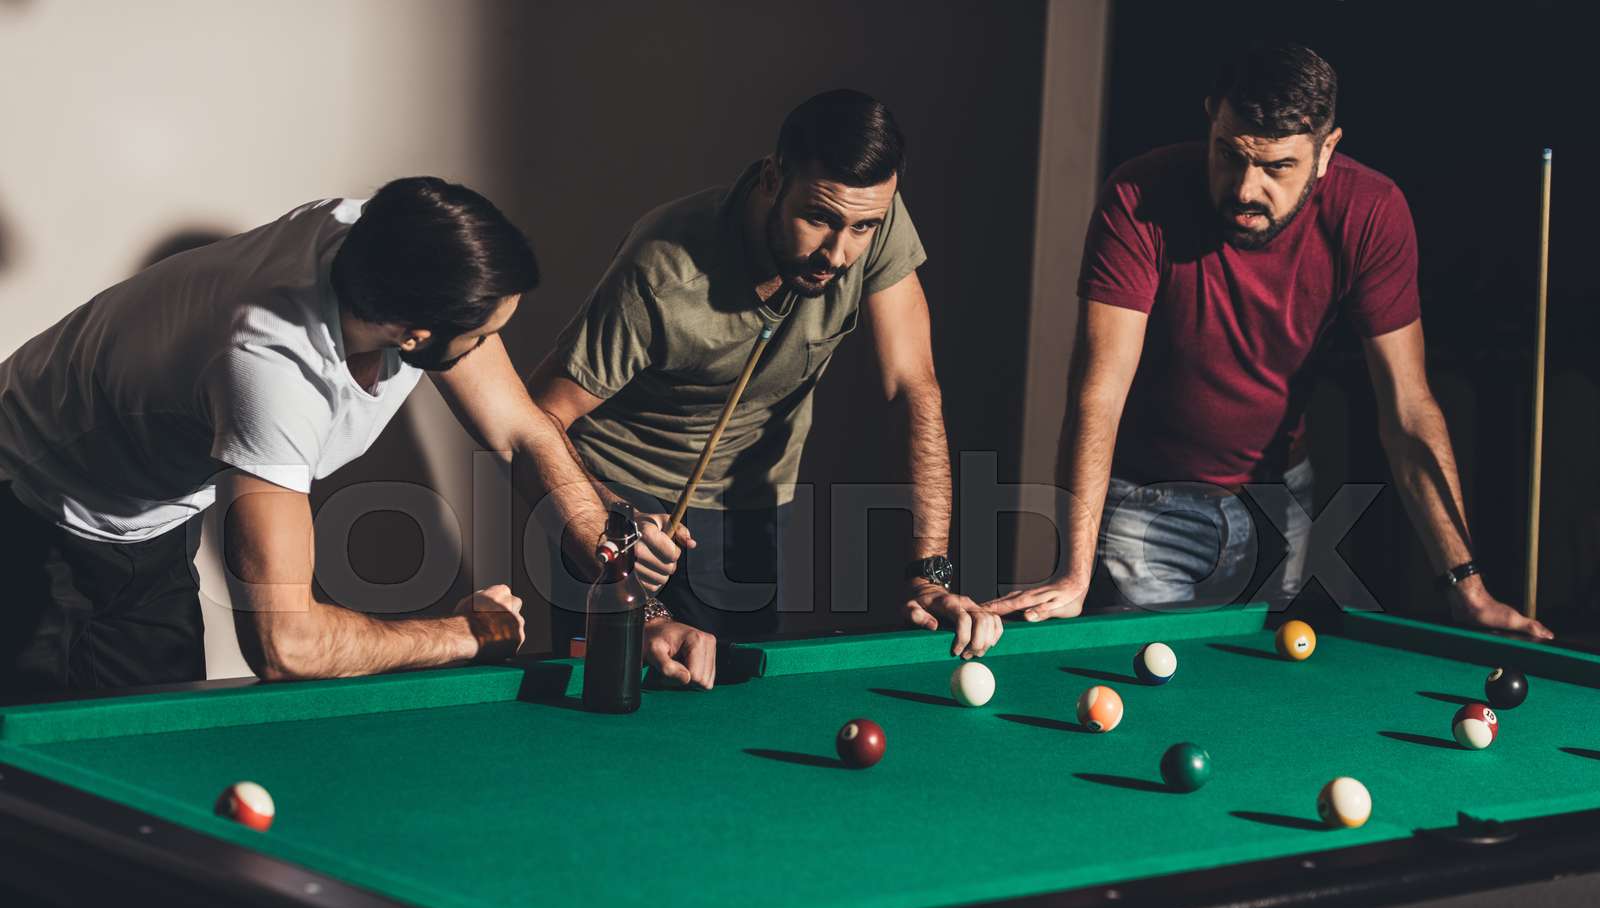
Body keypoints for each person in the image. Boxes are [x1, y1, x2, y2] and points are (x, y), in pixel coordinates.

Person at [0, 177, 717, 699]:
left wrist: (620, 576)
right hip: (23, 501)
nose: (492, 349)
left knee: (150, 759)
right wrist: (467, 635)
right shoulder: (269, 367)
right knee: (24, 773)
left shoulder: (388, 245)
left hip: (148, 523)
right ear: (416, 334)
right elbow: (286, 646)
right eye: (485, 337)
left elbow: (523, 434)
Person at [990, 43, 1550, 639]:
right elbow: (1099, 389)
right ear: (1211, 118)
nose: (1245, 188)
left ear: (1327, 151)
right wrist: (1075, 572)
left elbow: (1409, 411)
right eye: (1229, 155)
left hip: (1279, 503)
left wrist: (1467, 589)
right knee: (1150, 696)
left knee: (1250, 692)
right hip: (1145, 504)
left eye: (1277, 166)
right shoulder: (1139, 197)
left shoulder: (1372, 213)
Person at [529, 90, 1003, 657]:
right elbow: (540, 415)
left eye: (862, 228)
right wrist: (609, 518)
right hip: (617, 495)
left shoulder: (870, 220)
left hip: (750, 506)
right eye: (819, 219)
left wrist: (930, 572)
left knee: (732, 697)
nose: (838, 253)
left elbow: (913, 389)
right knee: (614, 696)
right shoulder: (660, 273)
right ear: (773, 179)